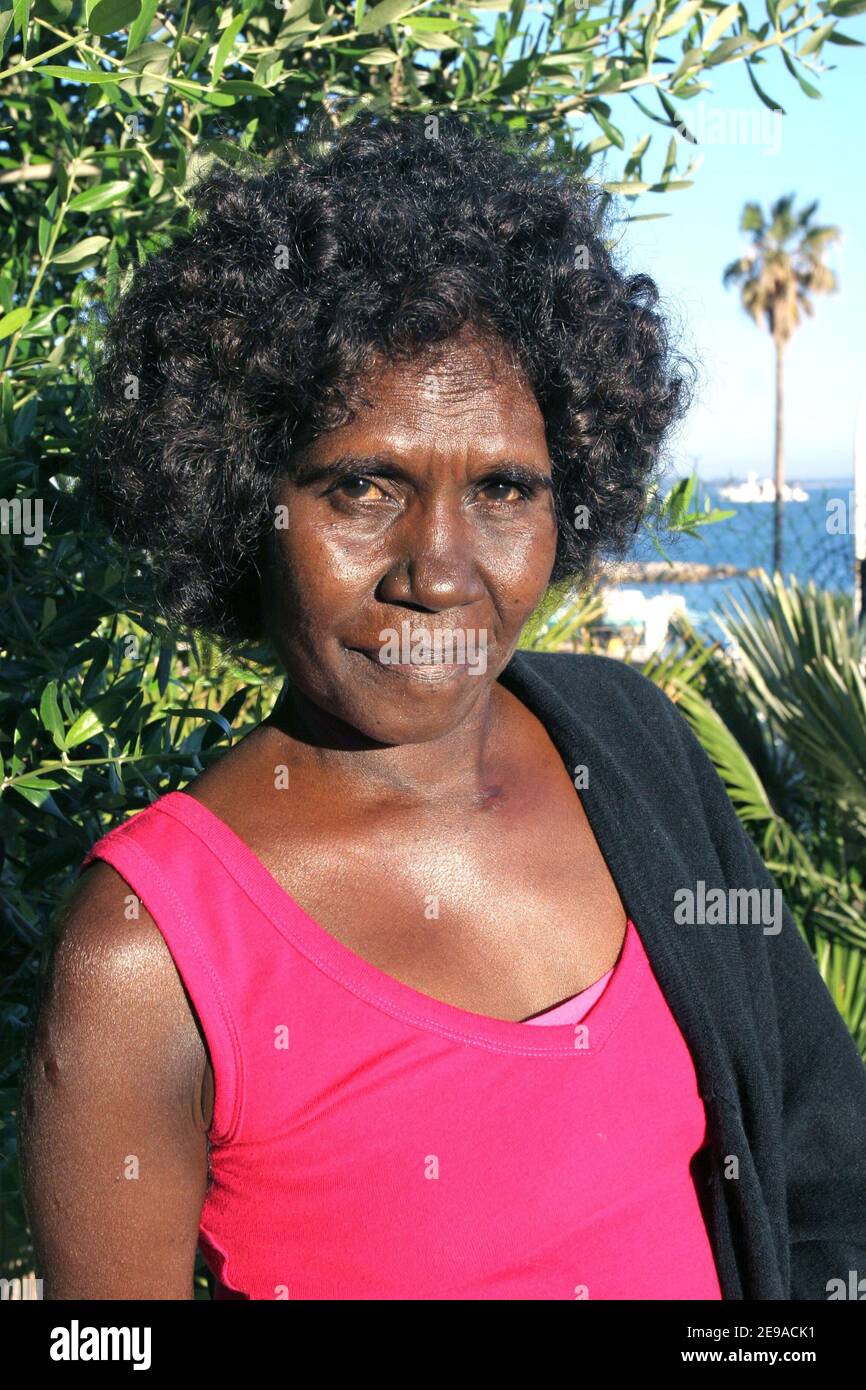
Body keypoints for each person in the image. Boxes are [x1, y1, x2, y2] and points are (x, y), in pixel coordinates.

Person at [18, 111, 866, 1301]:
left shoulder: (626, 741)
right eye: (362, 486)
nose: (440, 571)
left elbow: (822, 1164)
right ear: (234, 497)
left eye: (504, 488)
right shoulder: (151, 952)